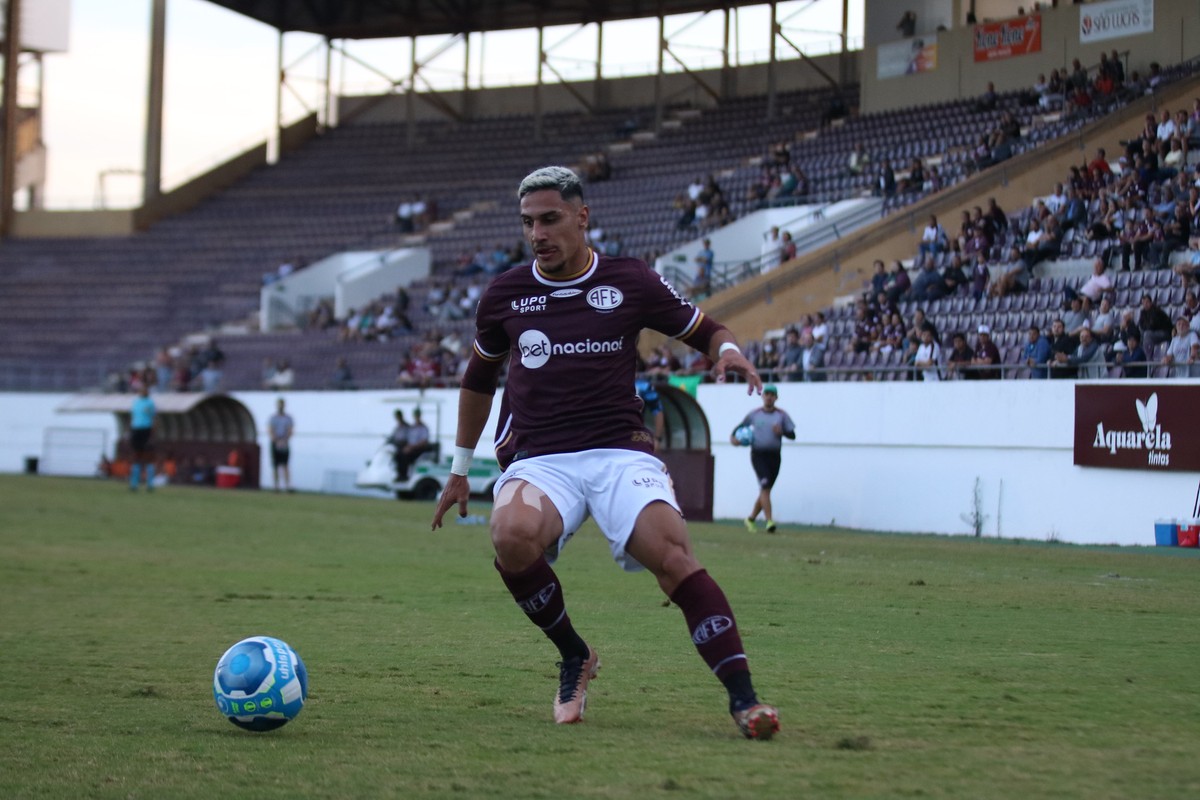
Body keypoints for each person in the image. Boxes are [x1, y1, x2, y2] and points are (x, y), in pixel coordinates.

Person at [429, 166, 779, 740]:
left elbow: (704, 328)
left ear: (582, 217)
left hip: (620, 452)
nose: (537, 233)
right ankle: (575, 655)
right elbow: (478, 379)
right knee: (510, 533)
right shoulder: (505, 294)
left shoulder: (631, 280)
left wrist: (730, 352)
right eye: (528, 223)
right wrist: (460, 470)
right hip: (541, 458)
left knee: (673, 558)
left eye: (549, 219)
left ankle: (746, 701)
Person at [731, 385, 796, 535]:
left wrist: (783, 432)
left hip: (775, 456)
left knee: (765, 490)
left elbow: (792, 435)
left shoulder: (782, 415)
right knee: (765, 487)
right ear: (763, 396)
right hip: (758, 455)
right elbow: (738, 429)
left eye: (772, 395)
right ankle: (769, 521)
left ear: (776, 398)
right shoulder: (755, 415)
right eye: (767, 394)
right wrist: (734, 440)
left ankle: (751, 518)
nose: (769, 397)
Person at [128, 384, 156, 491]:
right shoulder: (136, 402)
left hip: (146, 430)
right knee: (136, 458)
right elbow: (133, 417)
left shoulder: (150, 403)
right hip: (136, 430)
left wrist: (152, 434)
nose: (142, 392)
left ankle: (150, 484)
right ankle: (134, 484)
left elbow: (154, 418)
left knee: (148, 458)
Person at [396, 407, 437, 479]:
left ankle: (404, 476)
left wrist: (411, 447)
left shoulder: (423, 428)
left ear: (420, 416)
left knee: (405, 456)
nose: (416, 417)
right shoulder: (412, 428)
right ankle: (401, 475)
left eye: (417, 415)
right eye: (415, 415)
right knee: (398, 454)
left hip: (419, 449)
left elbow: (424, 441)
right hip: (411, 448)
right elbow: (409, 440)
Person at [268, 398, 294, 492]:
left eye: (282, 404)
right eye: (279, 404)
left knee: (285, 464)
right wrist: (276, 441)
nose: (280, 406)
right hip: (275, 442)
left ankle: (287, 487)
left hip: (285, 442)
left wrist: (284, 440)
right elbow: (271, 430)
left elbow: (290, 430)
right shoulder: (273, 418)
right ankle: (276, 486)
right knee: (275, 465)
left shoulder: (288, 418)